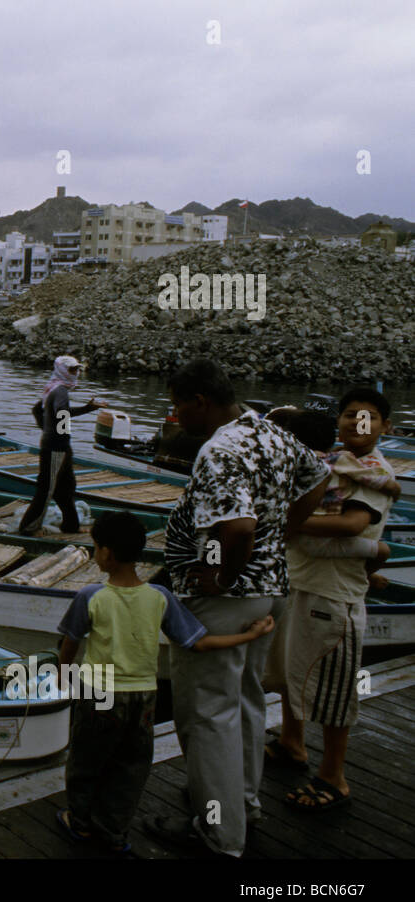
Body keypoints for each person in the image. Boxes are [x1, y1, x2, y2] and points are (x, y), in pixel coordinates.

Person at [143, 358, 327, 858]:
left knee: (207, 714)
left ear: (200, 400)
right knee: (245, 700)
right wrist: (283, 533)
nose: (177, 415)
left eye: (179, 405)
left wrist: (222, 573)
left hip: (226, 598)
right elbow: (318, 478)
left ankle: (218, 832)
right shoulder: (273, 434)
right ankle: (241, 803)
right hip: (272, 588)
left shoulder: (219, 449)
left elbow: (238, 527)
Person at [55, 511, 274, 854]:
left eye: (96, 548)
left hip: (98, 694)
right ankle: (114, 831)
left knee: (86, 761)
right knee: (131, 766)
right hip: (143, 697)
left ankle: (81, 824)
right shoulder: (160, 596)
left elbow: (70, 641)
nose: (96, 554)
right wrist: (247, 637)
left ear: (107, 553)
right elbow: (198, 643)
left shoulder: (90, 596)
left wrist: (63, 676)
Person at [265, 388, 397, 813]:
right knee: (291, 671)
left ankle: (333, 776)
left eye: (369, 417)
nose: (357, 424)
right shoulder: (334, 463)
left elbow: (354, 523)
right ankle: (292, 743)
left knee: (333, 686)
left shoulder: (372, 473)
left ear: (385, 427)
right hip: (302, 580)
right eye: (349, 415)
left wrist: (291, 523)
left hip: (334, 593)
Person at [265, 407, 395, 581]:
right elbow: (369, 476)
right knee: (381, 550)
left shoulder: (287, 461)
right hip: (322, 535)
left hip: (298, 539)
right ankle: (368, 576)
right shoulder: (335, 460)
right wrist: (393, 488)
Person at [18, 355, 106, 536]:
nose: (76, 373)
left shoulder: (52, 388)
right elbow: (61, 415)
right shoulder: (60, 392)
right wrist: (59, 434)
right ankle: (29, 527)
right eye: (72, 370)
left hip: (59, 445)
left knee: (66, 488)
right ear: (62, 370)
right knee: (47, 488)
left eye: (77, 369)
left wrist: (46, 429)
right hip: (56, 447)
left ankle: (70, 526)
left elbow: (37, 410)